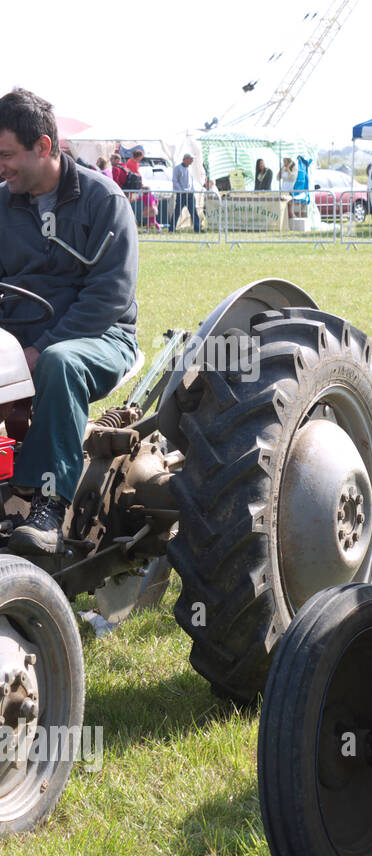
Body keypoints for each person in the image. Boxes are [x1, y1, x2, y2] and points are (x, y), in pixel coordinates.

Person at [0, 88, 139, 554]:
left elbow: (108, 296)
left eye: (7, 155)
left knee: (59, 362)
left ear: (43, 146)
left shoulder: (104, 201)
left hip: (99, 338)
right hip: (19, 339)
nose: (1, 166)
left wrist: (38, 350)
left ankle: (48, 505)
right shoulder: (2, 206)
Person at [171, 152, 200, 232]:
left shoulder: (189, 169)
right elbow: (175, 181)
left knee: (193, 212)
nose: (192, 160)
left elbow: (191, 181)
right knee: (177, 212)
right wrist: (181, 191)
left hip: (190, 194)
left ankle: (197, 229)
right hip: (182, 194)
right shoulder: (177, 168)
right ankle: (171, 228)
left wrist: (192, 190)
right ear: (186, 159)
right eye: (191, 159)